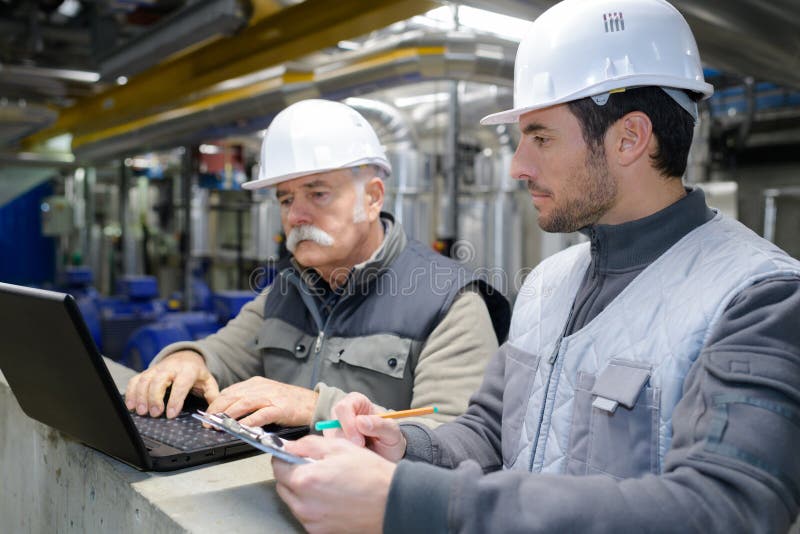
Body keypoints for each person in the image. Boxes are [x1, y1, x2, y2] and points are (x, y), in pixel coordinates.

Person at [271, 1, 800, 532]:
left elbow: (726, 509)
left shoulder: (759, 298)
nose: (519, 166)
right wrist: (405, 447)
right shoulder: (549, 282)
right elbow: (487, 433)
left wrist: (415, 501)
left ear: (630, 138)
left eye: (541, 136)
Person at [124, 99, 510, 429]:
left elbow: (452, 442)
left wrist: (315, 408)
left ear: (373, 198)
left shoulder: (448, 304)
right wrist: (189, 359)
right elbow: (224, 353)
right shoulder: (290, 289)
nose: (297, 215)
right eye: (286, 199)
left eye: (318, 194)